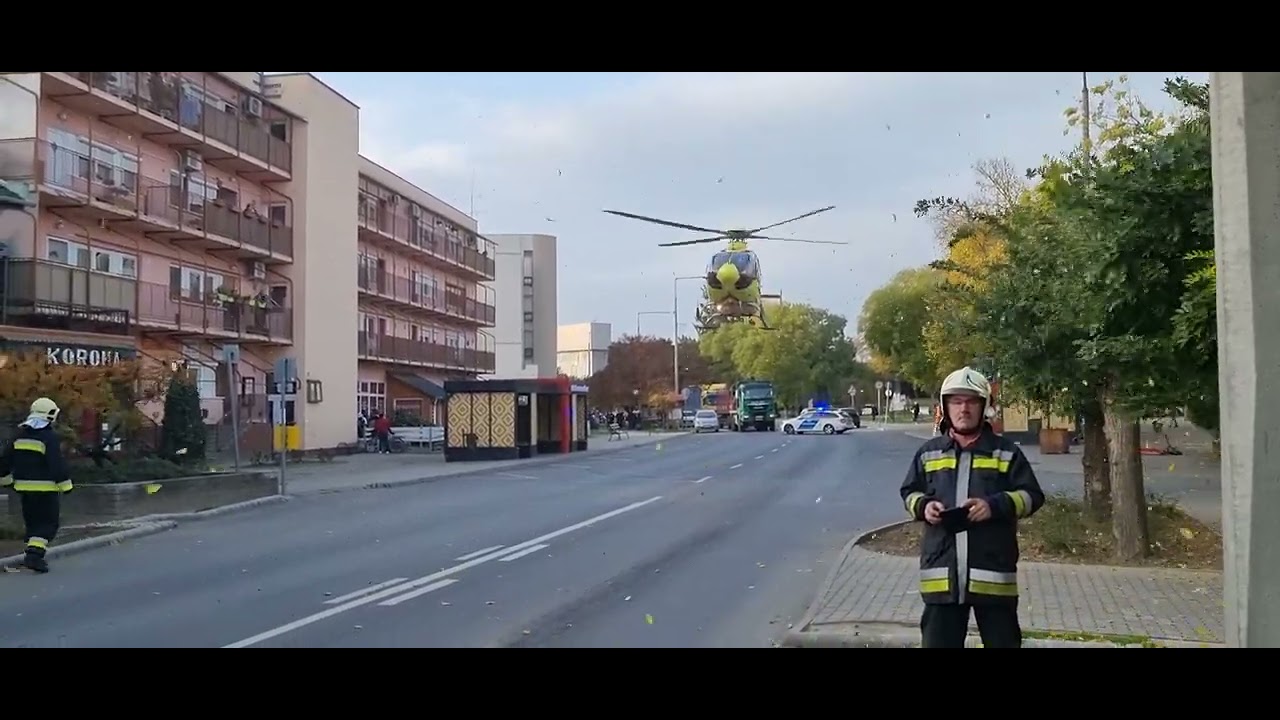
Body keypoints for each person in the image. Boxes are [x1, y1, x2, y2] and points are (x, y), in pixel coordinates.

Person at [899, 367, 1046, 648]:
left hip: (992, 576)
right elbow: (909, 491)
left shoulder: (1006, 453)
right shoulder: (928, 453)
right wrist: (923, 507)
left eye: (971, 401)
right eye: (956, 401)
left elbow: (1032, 496)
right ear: (945, 406)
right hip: (942, 578)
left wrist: (995, 506)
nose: (963, 408)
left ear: (984, 407)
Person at [0, 397, 72, 573]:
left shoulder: (18, 436)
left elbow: (4, 462)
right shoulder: (49, 437)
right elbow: (56, 464)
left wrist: (7, 481)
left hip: (24, 491)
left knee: (33, 524)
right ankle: (34, 557)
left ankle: (32, 553)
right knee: (48, 524)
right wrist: (66, 485)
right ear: (51, 415)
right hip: (46, 491)